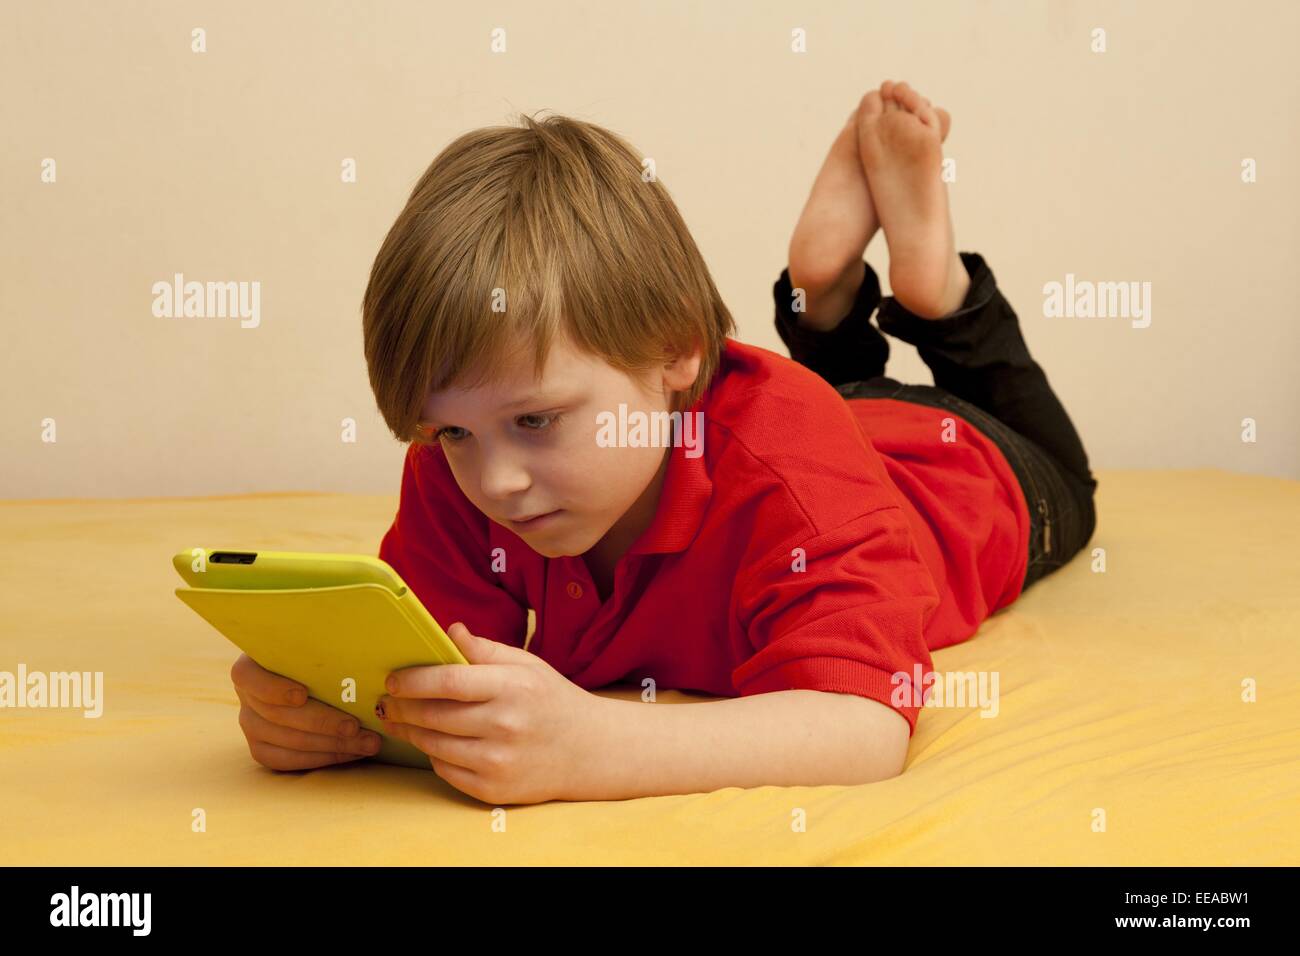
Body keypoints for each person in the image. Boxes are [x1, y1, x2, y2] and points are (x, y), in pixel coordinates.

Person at [229, 80, 1097, 805]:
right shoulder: (465, 462)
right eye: (451, 430)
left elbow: (865, 726)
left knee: (1060, 467)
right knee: (833, 395)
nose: (495, 480)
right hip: (828, 421)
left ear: (679, 348)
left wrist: (593, 746)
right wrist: (323, 703)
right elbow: (428, 663)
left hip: (966, 463)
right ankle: (824, 299)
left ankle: (932, 288)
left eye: (537, 420)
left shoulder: (791, 472)